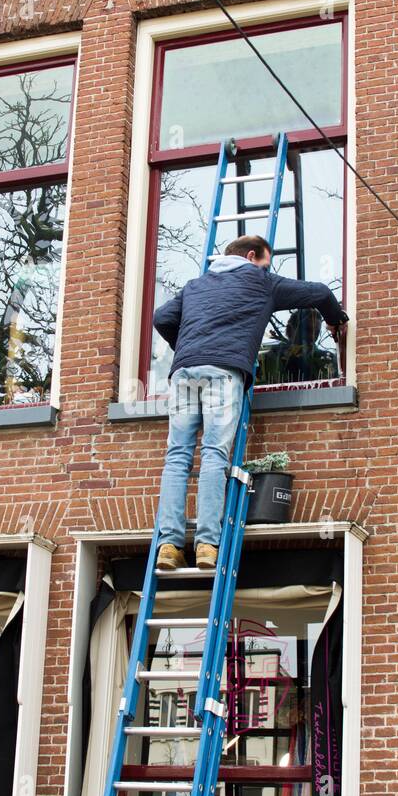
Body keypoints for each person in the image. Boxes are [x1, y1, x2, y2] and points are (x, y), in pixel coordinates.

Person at [151, 234, 348, 570]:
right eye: (265, 263)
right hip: (223, 372)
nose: (266, 269)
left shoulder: (196, 285)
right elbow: (320, 293)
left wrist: (188, 347)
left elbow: (161, 318)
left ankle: (168, 545)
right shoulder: (260, 281)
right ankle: (206, 545)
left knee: (178, 456)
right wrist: (335, 319)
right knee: (214, 453)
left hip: (184, 373)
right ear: (253, 256)